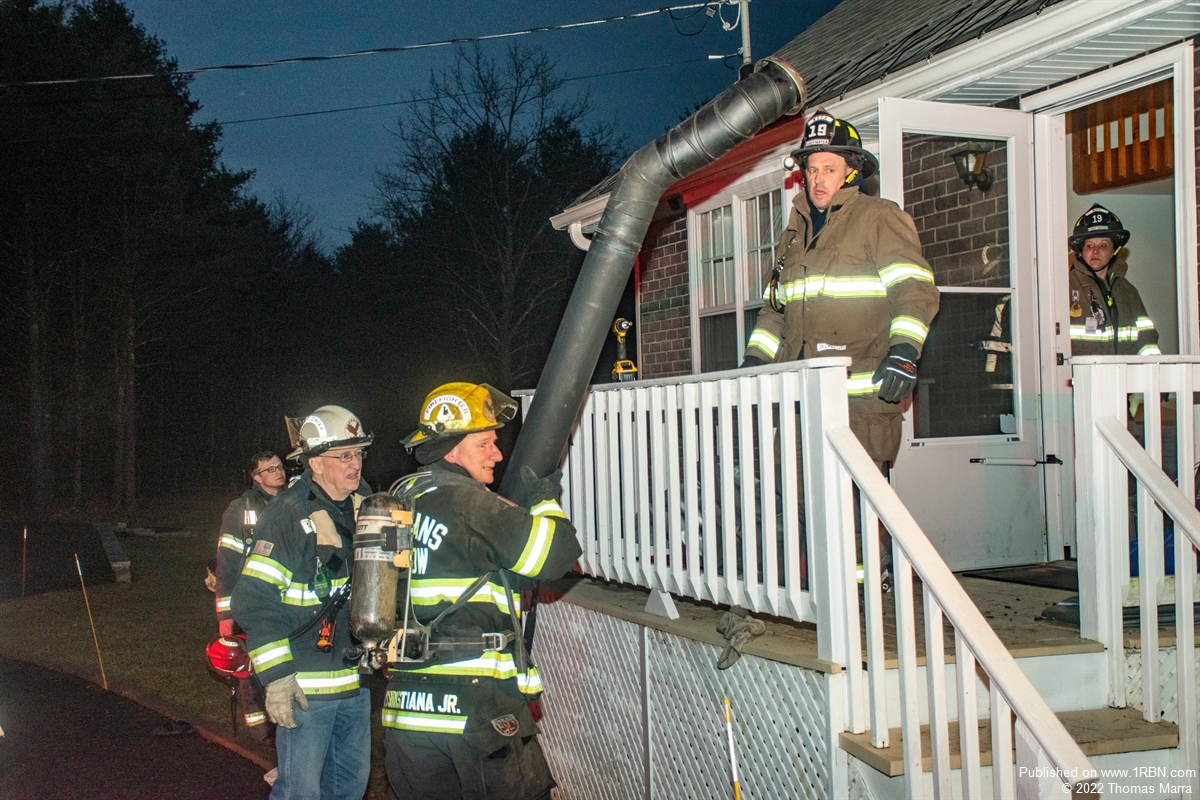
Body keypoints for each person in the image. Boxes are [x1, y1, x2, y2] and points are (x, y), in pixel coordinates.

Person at [741, 109, 940, 586]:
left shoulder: (879, 219)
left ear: (851, 170)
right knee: (806, 493)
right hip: (803, 396)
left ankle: (876, 580)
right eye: (810, 169)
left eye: (828, 168)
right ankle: (836, 587)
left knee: (858, 497)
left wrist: (905, 351)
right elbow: (775, 310)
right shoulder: (795, 234)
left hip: (861, 394)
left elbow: (914, 289)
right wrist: (754, 361)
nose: (817, 179)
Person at [383, 382, 583, 800]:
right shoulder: (469, 504)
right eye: (485, 444)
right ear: (451, 450)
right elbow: (556, 555)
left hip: (407, 709)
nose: (498, 453)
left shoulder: (397, 503)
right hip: (476, 706)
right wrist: (545, 499)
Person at [231, 405, 374, 800]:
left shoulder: (367, 507)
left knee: (349, 787)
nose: (354, 463)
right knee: (302, 792)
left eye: (359, 453)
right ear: (315, 463)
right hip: (305, 688)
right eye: (343, 455)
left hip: (354, 684)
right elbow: (253, 600)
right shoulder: (287, 516)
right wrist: (277, 679)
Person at [210, 449, 287, 740]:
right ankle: (260, 732)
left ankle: (281, 732)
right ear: (256, 477)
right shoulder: (240, 510)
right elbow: (226, 564)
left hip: (288, 603)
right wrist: (225, 616)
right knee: (253, 669)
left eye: (280, 466)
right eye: (270, 469)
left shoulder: (294, 503)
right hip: (252, 602)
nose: (279, 472)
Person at [1068, 203, 1160, 356]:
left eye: (1103, 245)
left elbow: (1147, 340)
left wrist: (1151, 372)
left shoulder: (1128, 291)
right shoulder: (1066, 287)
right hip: (1083, 378)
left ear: (1114, 251)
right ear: (1081, 251)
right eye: (1089, 246)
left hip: (1122, 377)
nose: (1095, 251)